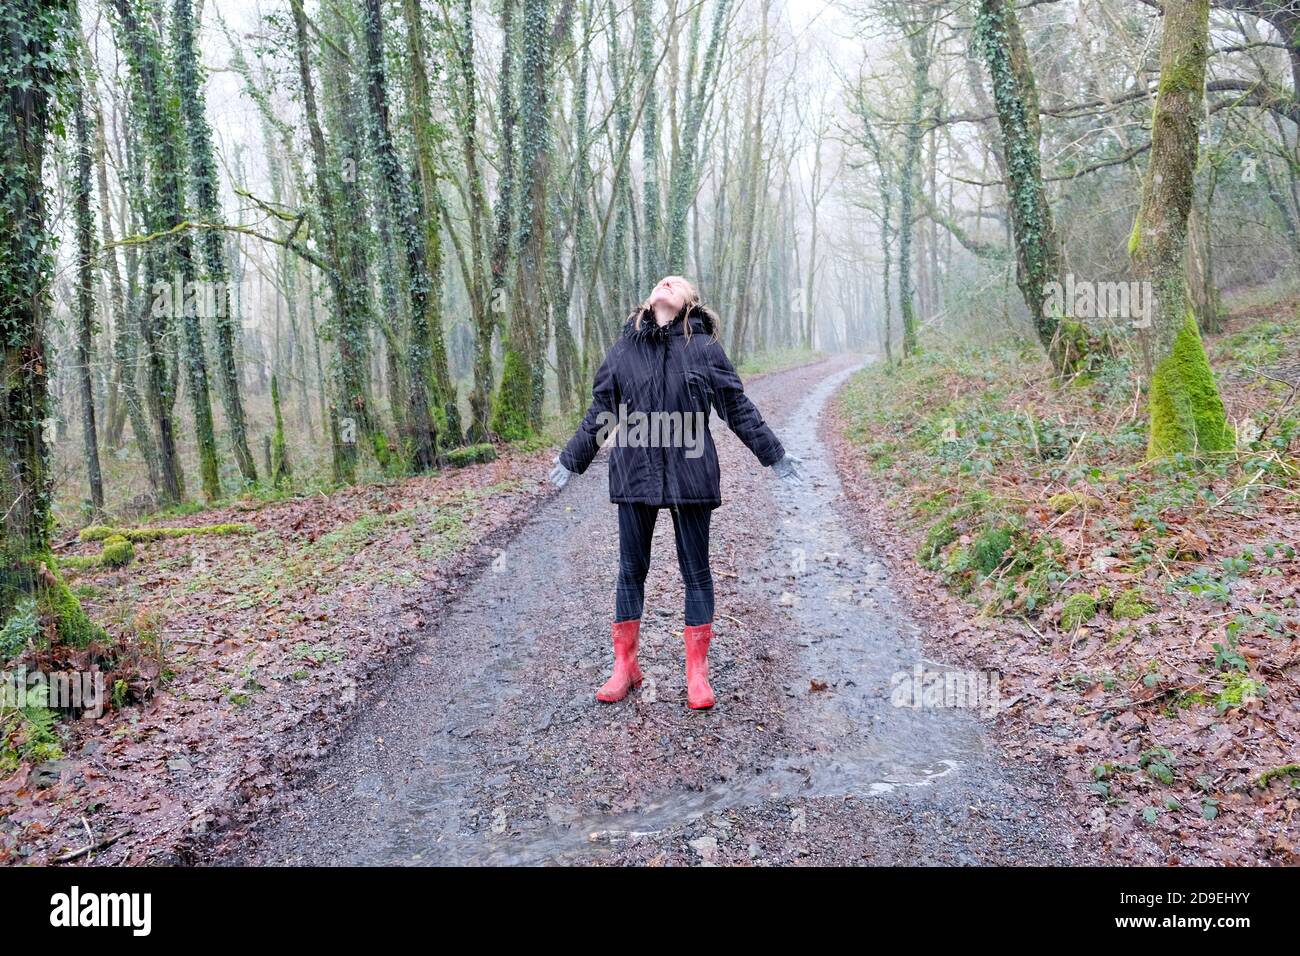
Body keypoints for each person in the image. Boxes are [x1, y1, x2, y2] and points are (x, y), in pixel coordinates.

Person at [549, 275, 802, 709]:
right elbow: (602, 411)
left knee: (697, 572)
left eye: (678, 282)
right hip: (634, 473)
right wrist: (572, 459)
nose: (667, 282)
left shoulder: (703, 349)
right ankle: (624, 667)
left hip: (691, 475)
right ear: (650, 298)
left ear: (688, 302)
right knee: (631, 570)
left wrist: (773, 454)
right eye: (662, 281)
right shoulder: (624, 349)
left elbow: (736, 407)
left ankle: (697, 675)